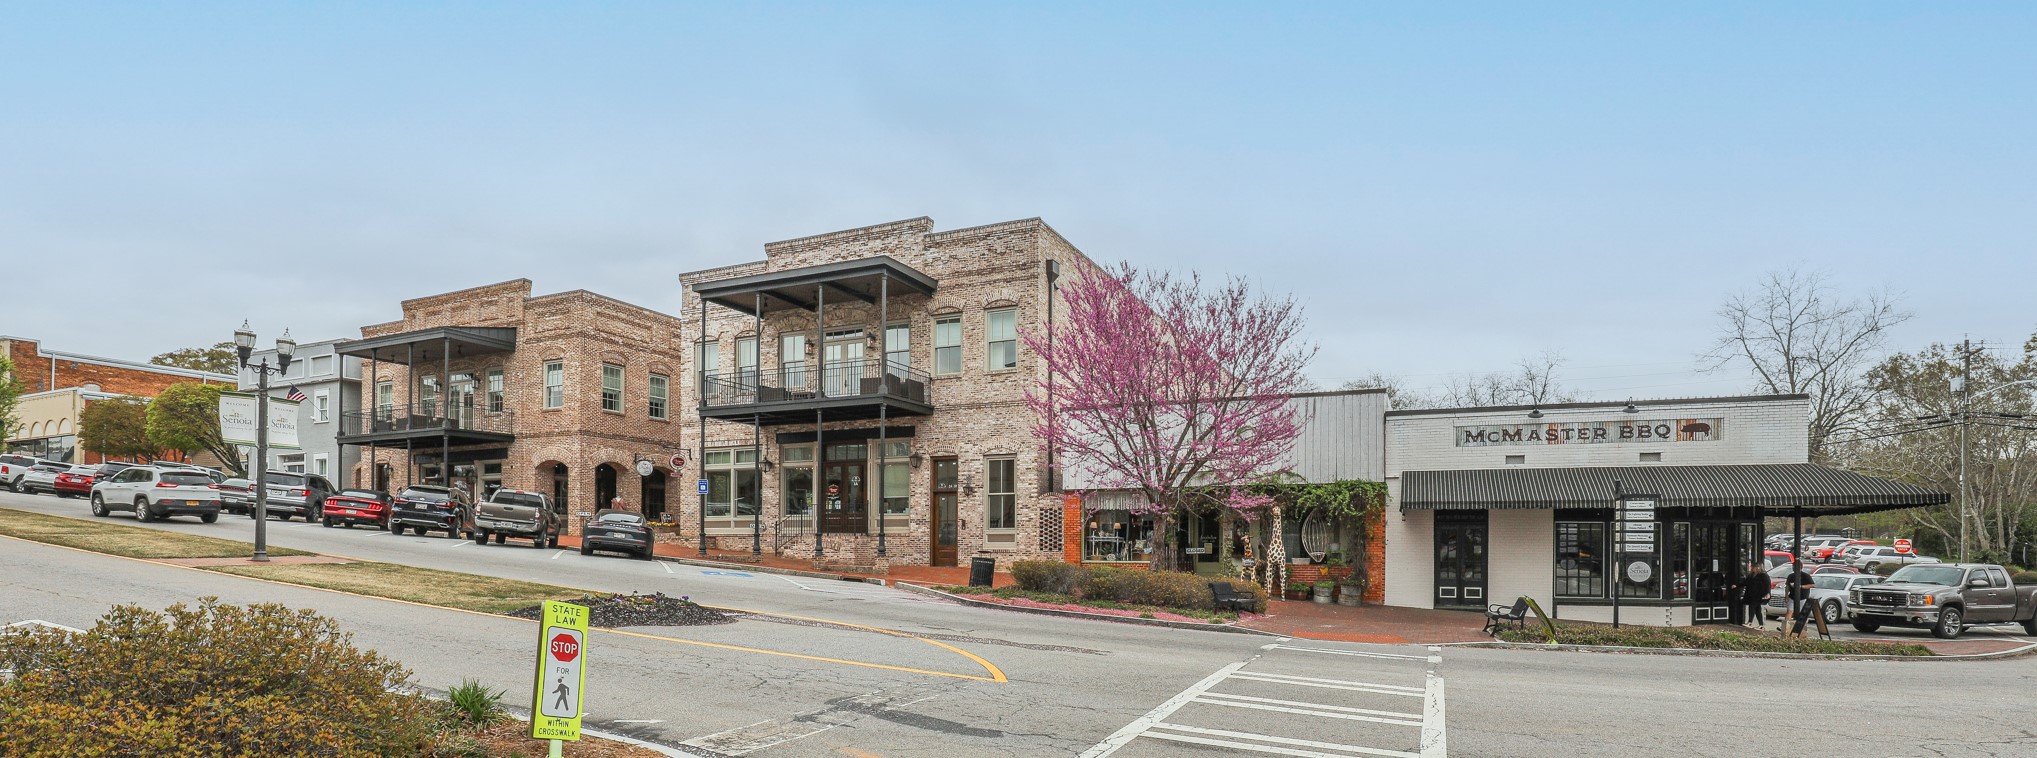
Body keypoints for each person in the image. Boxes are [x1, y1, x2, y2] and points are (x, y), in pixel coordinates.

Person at [1735, 562, 1771, 629]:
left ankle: (1750, 622)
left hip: (1759, 594)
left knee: (1752, 606)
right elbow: (1745, 583)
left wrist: (1768, 593)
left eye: (1753, 567)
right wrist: (1737, 585)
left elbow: (1768, 585)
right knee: (1757, 609)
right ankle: (1761, 625)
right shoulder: (1751, 575)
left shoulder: (1763, 575)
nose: (1752, 568)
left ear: (1758, 568)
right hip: (1752, 594)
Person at [1786, 561, 1818, 636]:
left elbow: (1812, 585)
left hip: (1803, 597)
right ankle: (1786, 627)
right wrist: (1786, 595)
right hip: (1792, 596)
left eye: (1794, 566)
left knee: (1801, 614)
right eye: (1792, 566)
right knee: (1789, 612)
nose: (1792, 568)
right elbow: (1787, 586)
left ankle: (1800, 628)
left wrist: (1801, 586)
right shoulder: (1790, 576)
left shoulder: (1805, 576)